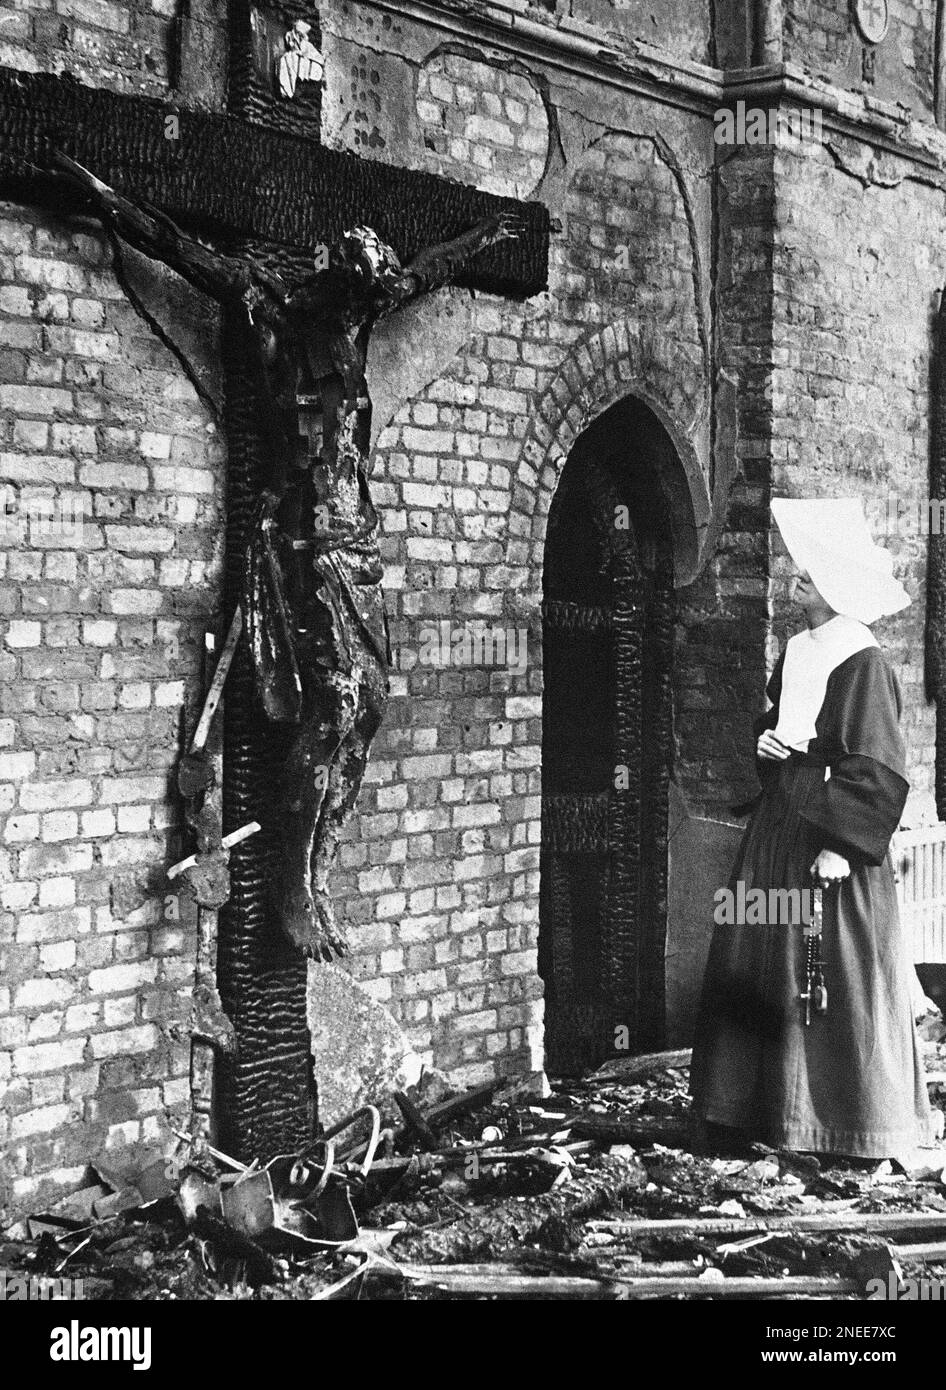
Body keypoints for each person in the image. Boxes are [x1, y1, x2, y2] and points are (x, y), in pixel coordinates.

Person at [689, 498, 932, 1161]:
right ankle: (751, 1108)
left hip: (828, 836)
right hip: (779, 823)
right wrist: (766, 743)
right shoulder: (798, 647)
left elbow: (876, 766)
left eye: (815, 568)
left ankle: (842, 1124)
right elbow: (784, 726)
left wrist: (840, 849)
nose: (798, 575)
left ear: (844, 582)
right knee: (758, 949)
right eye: (800, 565)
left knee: (830, 967)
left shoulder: (864, 659)